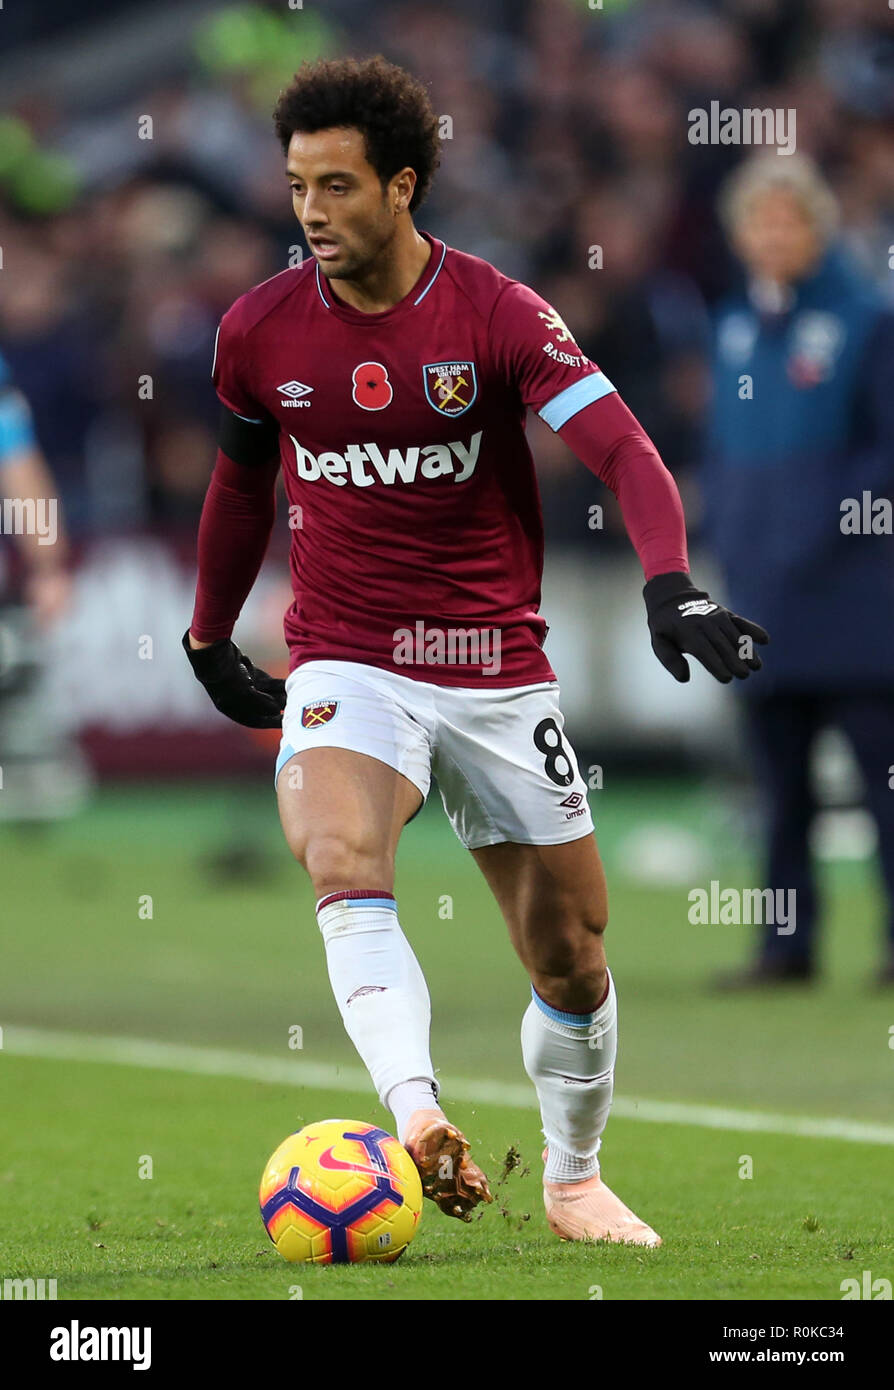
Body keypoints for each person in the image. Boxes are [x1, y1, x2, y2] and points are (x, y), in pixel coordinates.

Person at [182, 56, 767, 1246]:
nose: (311, 212)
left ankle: (572, 1178)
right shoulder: (257, 331)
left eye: (337, 186)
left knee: (574, 955)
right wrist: (206, 633)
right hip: (346, 654)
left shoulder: (496, 314)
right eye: (297, 186)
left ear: (402, 185)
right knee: (342, 855)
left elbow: (627, 452)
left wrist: (670, 582)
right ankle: (416, 1110)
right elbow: (241, 487)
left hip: (494, 663)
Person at [704, 154, 894, 989]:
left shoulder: (869, 320)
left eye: (788, 219)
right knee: (779, 792)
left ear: (818, 227)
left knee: (882, 784)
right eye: (758, 221)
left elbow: (886, 451)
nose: (772, 236)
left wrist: (822, 524)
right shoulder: (736, 324)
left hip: (857, 600)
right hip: (762, 599)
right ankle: (787, 947)